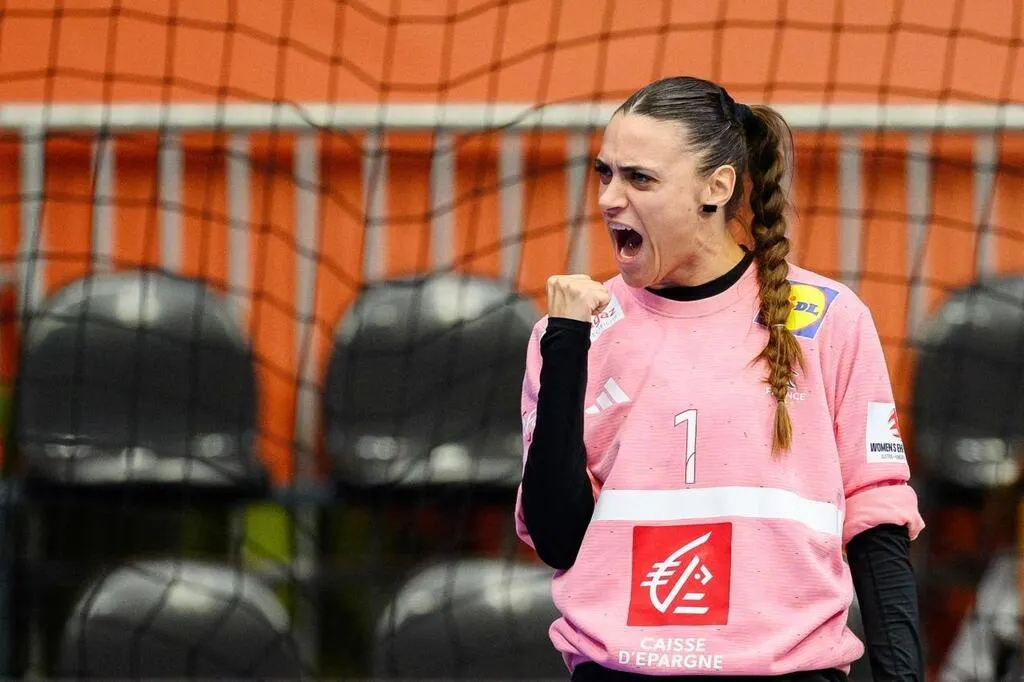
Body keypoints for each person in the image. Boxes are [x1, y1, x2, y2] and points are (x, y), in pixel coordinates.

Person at [514, 75, 926, 681]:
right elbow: (557, 539)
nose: (608, 197)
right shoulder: (574, 330)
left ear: (716, 188)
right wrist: (567, 344)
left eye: (640, 178)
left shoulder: (831, 320)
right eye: (606, 174)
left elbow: (878, 520)